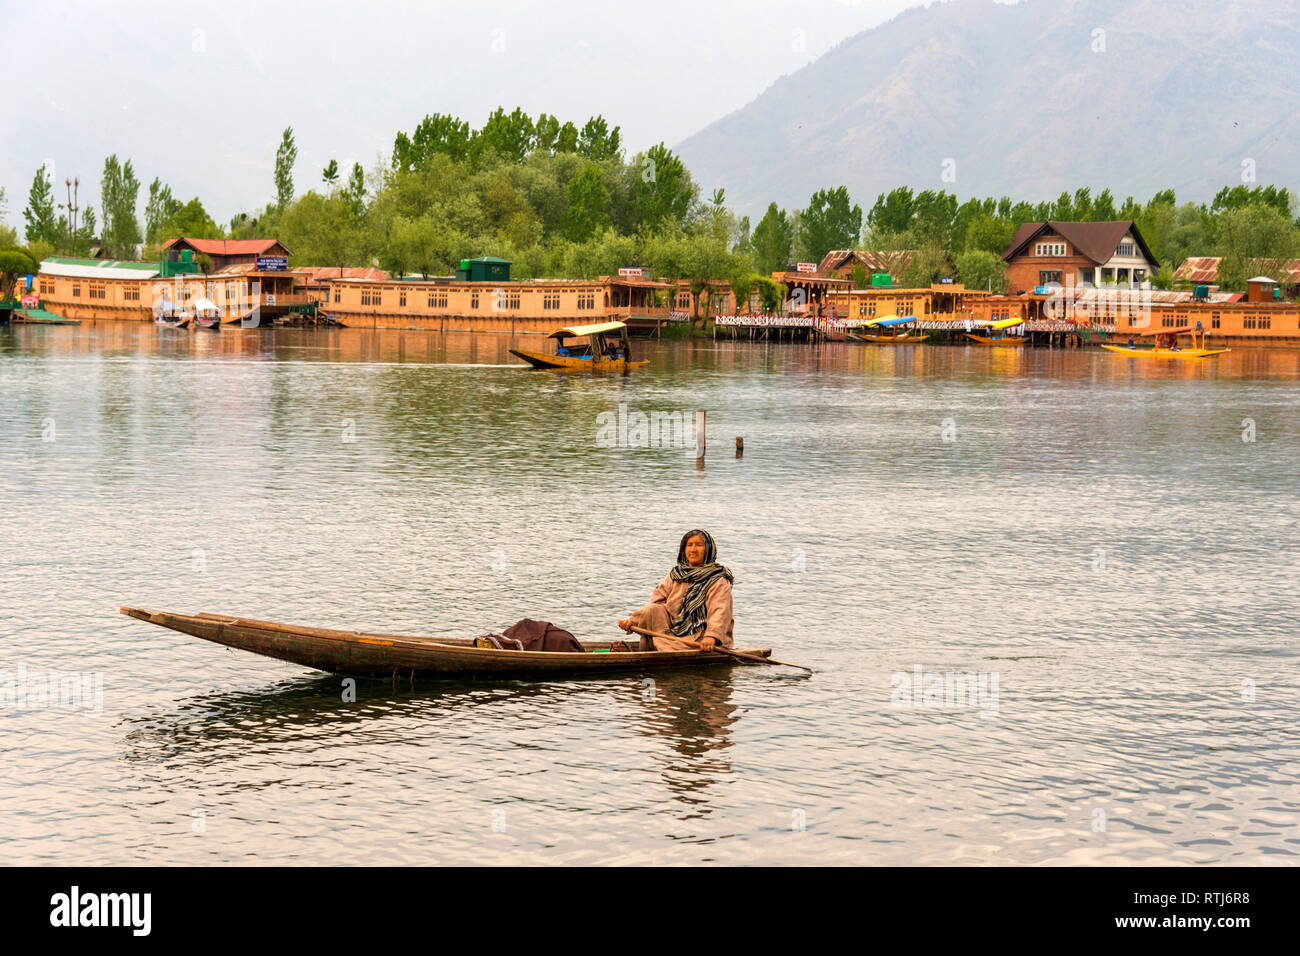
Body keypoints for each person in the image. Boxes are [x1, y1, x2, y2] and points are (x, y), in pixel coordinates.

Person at [618, 529, 734, 652]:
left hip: (700, 639)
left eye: (699, 545)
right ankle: (662, 644)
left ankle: (661, 646)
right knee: (651, 609)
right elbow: (656, 604)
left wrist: (711, 636)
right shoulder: (676, 575)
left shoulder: (718, 579)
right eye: (689, 545)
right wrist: (632, 621)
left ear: (708, 550)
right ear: (683, 550)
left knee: (663, 642)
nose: (693, 550)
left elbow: (720, 611)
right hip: (672, 632)